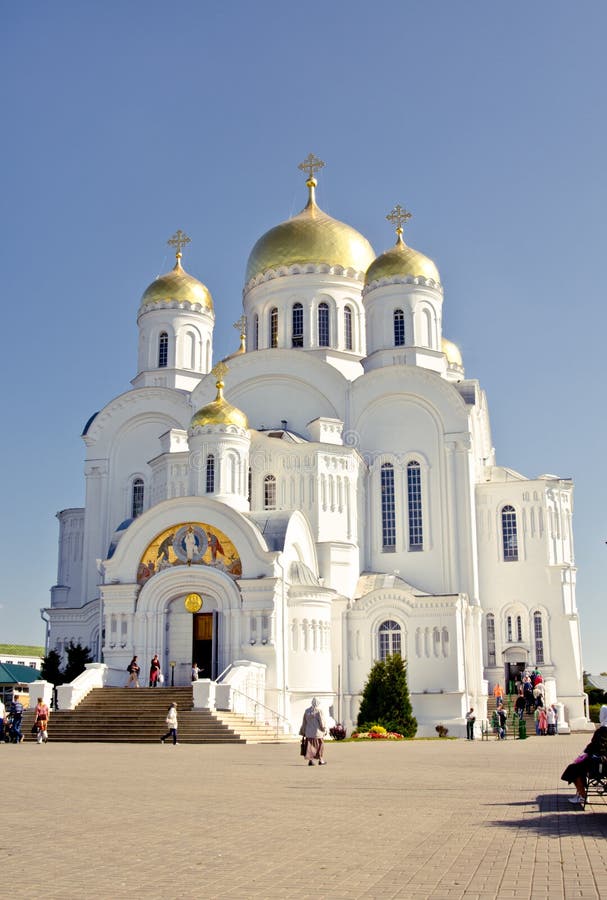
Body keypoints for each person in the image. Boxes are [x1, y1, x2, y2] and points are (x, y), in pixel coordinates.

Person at [561, 705, 607, 805]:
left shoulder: (602, 731)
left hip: (599, 765)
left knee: (573, 769)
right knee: (579, 768)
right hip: (602, 764)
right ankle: (581, 793)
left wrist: (583, 755)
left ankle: (582, 795)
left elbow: (594, 747)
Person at [299, 697, 327, 765]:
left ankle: (311, 761)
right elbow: (322, 722)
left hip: (309, 733)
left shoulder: (307, 711)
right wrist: (324, 729)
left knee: (310, 748)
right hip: (317, 733)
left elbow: (304, 722)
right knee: (320, 746)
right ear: (318, 703)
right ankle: (321, 760)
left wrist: (303, 731)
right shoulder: (319, 711)